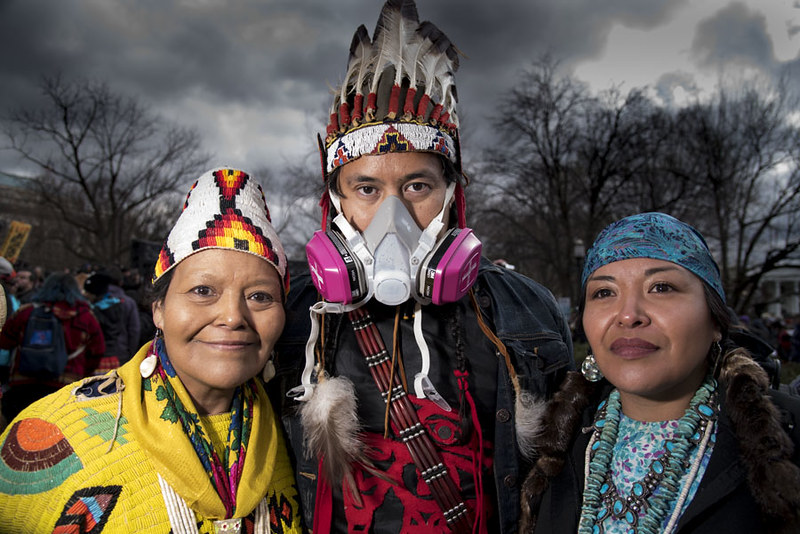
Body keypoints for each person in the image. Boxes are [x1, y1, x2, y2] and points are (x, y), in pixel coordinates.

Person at [272, 2, 574, 533]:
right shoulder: (291, 312)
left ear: (452, 194)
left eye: (417, 186)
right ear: (335, 201)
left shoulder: (525, 310)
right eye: (366, 189)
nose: (395, 214)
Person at [0, 168, 303, 533]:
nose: (232, 317)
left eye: (260, 296)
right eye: (203, 291)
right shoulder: (55, 432)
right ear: (158, 309)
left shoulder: (300, 442)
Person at [518, 212, 800, 534]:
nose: (628, 315)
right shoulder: (555, 444)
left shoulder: (784, 442)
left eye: (661, 287)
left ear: (715, 322)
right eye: (604, 293)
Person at [0, 272, 106, 421]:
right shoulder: (85, 317)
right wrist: (82, 372)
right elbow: (98, 350)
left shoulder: (27, 312)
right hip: (65, 386)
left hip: (23, 383)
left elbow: (4, 342)